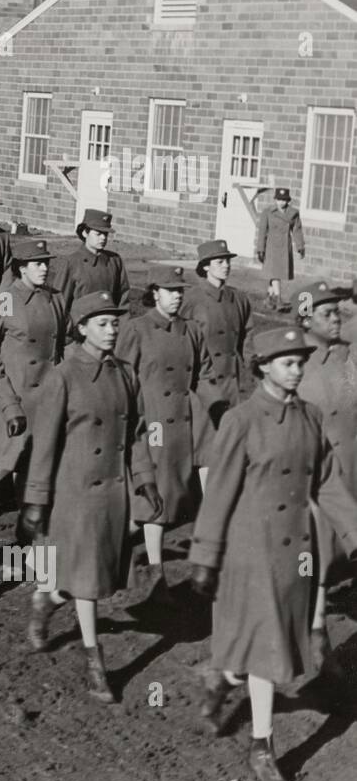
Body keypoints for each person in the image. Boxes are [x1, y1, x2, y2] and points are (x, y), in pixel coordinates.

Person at [190, 326, 357, 781]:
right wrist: (204, 555)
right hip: (251, 552)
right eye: (288, 362)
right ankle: (263, 749)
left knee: (274, 641)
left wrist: (353, 534)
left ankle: (221, 675)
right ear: (263, 367)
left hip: (296, 554)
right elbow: (219, 492)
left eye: (302, 362)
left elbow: (324, 479)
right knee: (268, 651)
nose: (298, 369)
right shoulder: (241, 421)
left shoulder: (310, 416)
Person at [19, 291, 161, 703]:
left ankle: (47, 598)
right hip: (75, 493)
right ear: (81, 328)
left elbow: (136, 433)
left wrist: (146, 480)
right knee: (87, 584)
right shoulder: (62, 376)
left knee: (95, 577)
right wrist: (35, 500)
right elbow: (43, 445)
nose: (112, 329)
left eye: (115, 322)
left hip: (114, 491)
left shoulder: (125, 374)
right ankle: (95, 661)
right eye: (102, 322)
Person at [115, 267, 214, 601]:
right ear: (154, 292)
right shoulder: (137, 329)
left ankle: (112, 539)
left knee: (173, 498)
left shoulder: (191, 331)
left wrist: (213, 411)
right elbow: (122, 376)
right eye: (169, 290)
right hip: (152, 422)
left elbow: (203, 374)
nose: (177, 296)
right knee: (158, 496)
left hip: (186, 421)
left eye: (180, 291)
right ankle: (156, 578)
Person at [291, 279, 357, 681]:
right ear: (304, 317)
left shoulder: (347, 358)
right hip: (314, 477)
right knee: (316, 556)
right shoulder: (294, 364)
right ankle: (317, 639)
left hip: (351, 472)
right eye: (326, 312)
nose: (336, 319)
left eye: (338, 312)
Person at [0, 238, 66, 520]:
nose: (45, 269)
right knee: (13, 451)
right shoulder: (6, 301)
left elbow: (66, 339)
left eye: (46, 264)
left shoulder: (54, 298)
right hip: (16, 388)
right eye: (38, 264)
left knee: (36, 453)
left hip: (48, 387)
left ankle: (24, 508)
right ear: (22, 268)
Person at [181, 239, 254, 428]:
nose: (226, 266)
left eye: (228, 261)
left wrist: (252, 369)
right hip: (205, 382)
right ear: (205, 267)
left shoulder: (239, 299)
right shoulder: (192, 299)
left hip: (233, 380)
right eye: (219, 262)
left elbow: (248, 338)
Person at [49, 207, 129, 316]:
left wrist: (122, 326)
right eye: (98, 234)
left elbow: (123, 297)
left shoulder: (114, 261)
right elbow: (60, 302)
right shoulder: (71, 263)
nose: (103, 238)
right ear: (85, 233)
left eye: (105, 234)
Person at [256, 187, 304, 312]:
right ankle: (278, 299)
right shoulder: (267, 212)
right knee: (276, 273)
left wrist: (300, 246)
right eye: (279, 200)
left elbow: (297, 230)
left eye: (284, 200)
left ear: (288, 201)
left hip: (284, 248)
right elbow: (262, 232)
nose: (281, 202)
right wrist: (260, 249)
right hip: (271, 248)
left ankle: (269, 298)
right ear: (275, 200)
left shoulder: (293, 214)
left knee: (275, 274)